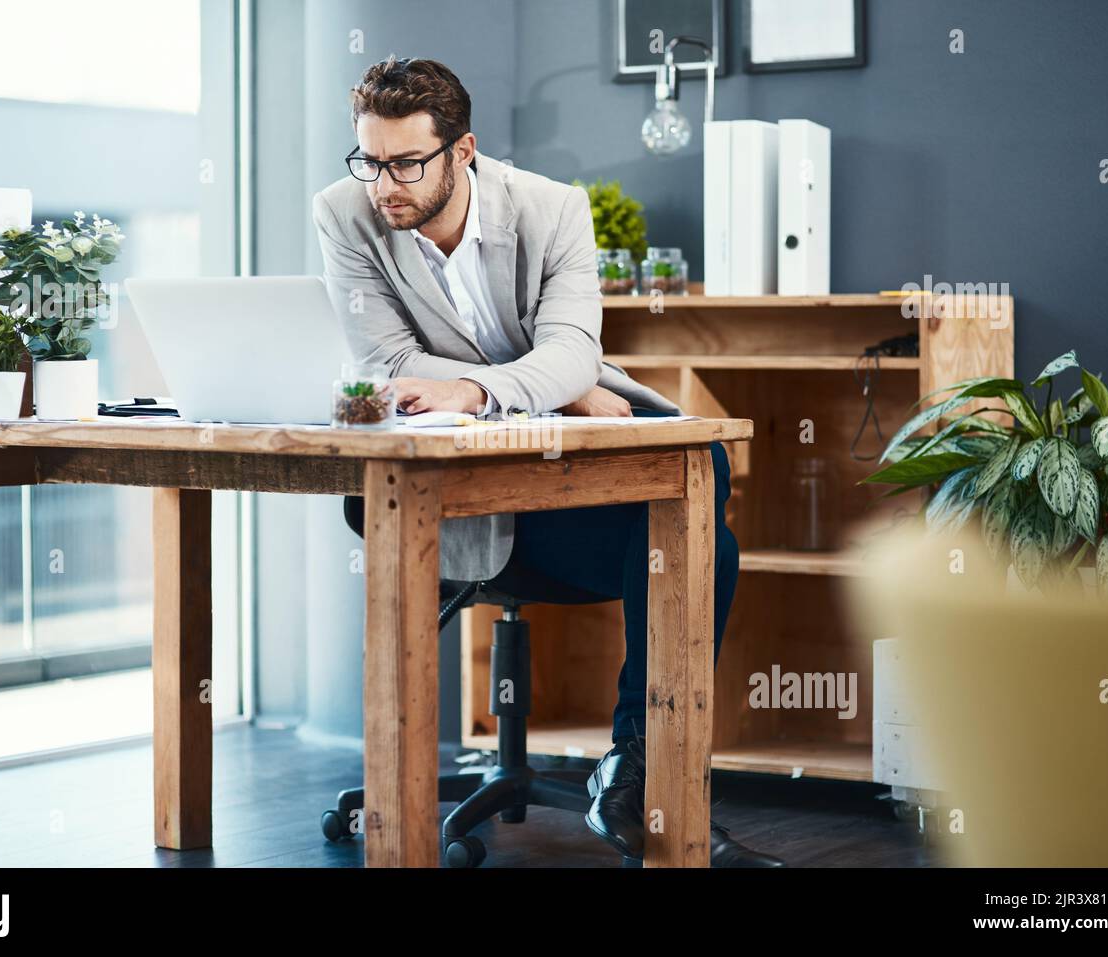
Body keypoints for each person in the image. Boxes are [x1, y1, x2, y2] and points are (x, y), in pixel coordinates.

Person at [313, 55, 783, 867]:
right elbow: (387, 366)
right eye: (369, 160)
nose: (383, 184)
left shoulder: (551, 209)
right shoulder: (346, 214)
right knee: (705, 539)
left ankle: (635, 770)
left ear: (462, 152)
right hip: (446, 501)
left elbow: (573, 351)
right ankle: (641, 777)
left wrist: (482, 388)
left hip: (560, 492)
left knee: (701, 474)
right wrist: (542, 391)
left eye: (404, 163)